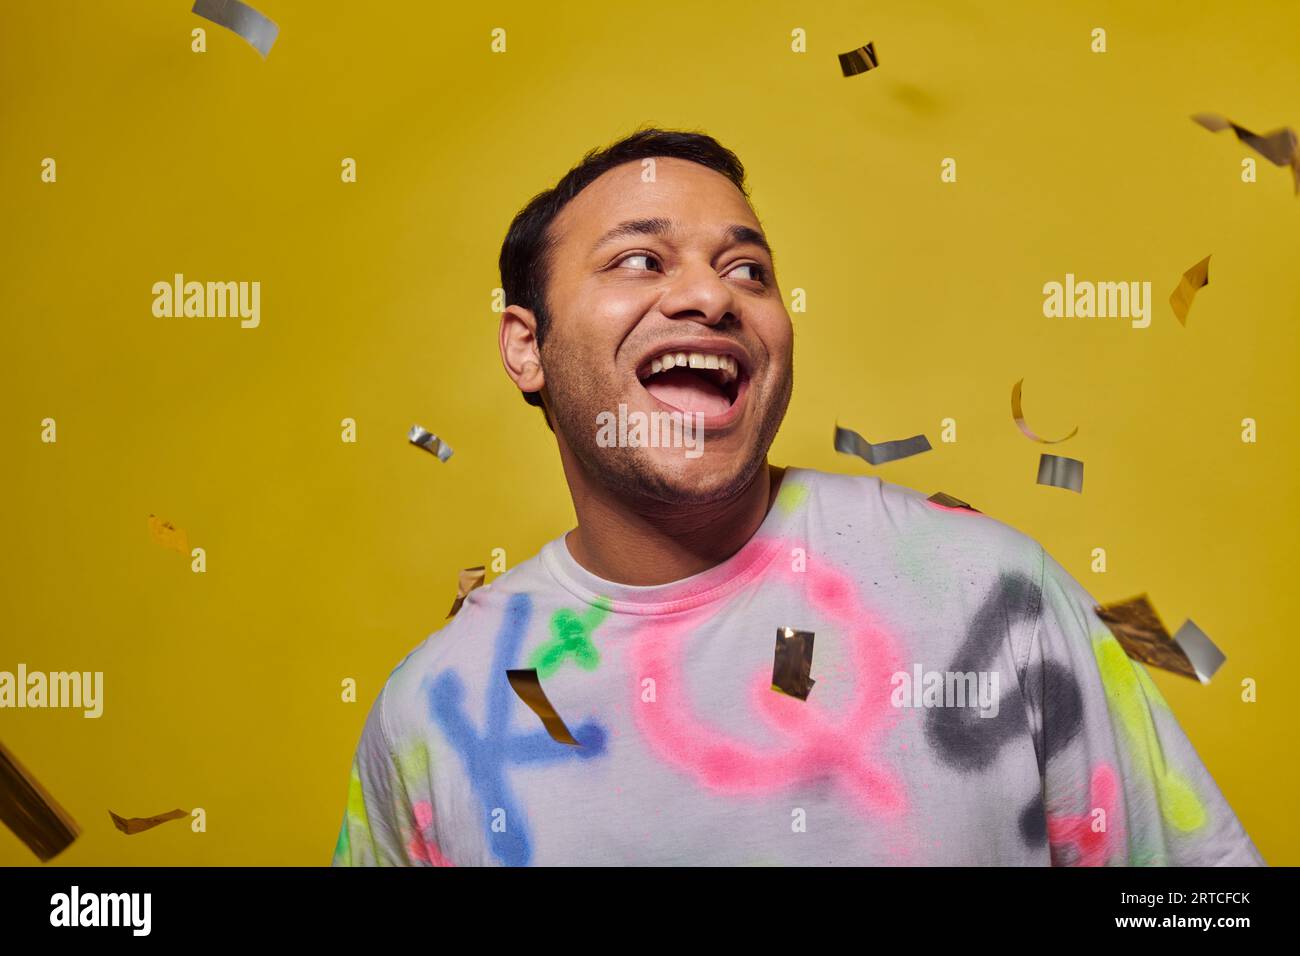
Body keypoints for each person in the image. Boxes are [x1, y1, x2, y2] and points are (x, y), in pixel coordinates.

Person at [331, 128, 1264, 866]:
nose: (710, 295)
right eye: (641, 262)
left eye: (748, 271)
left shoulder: (991, 595)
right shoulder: (437, 714)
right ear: (524, 348)